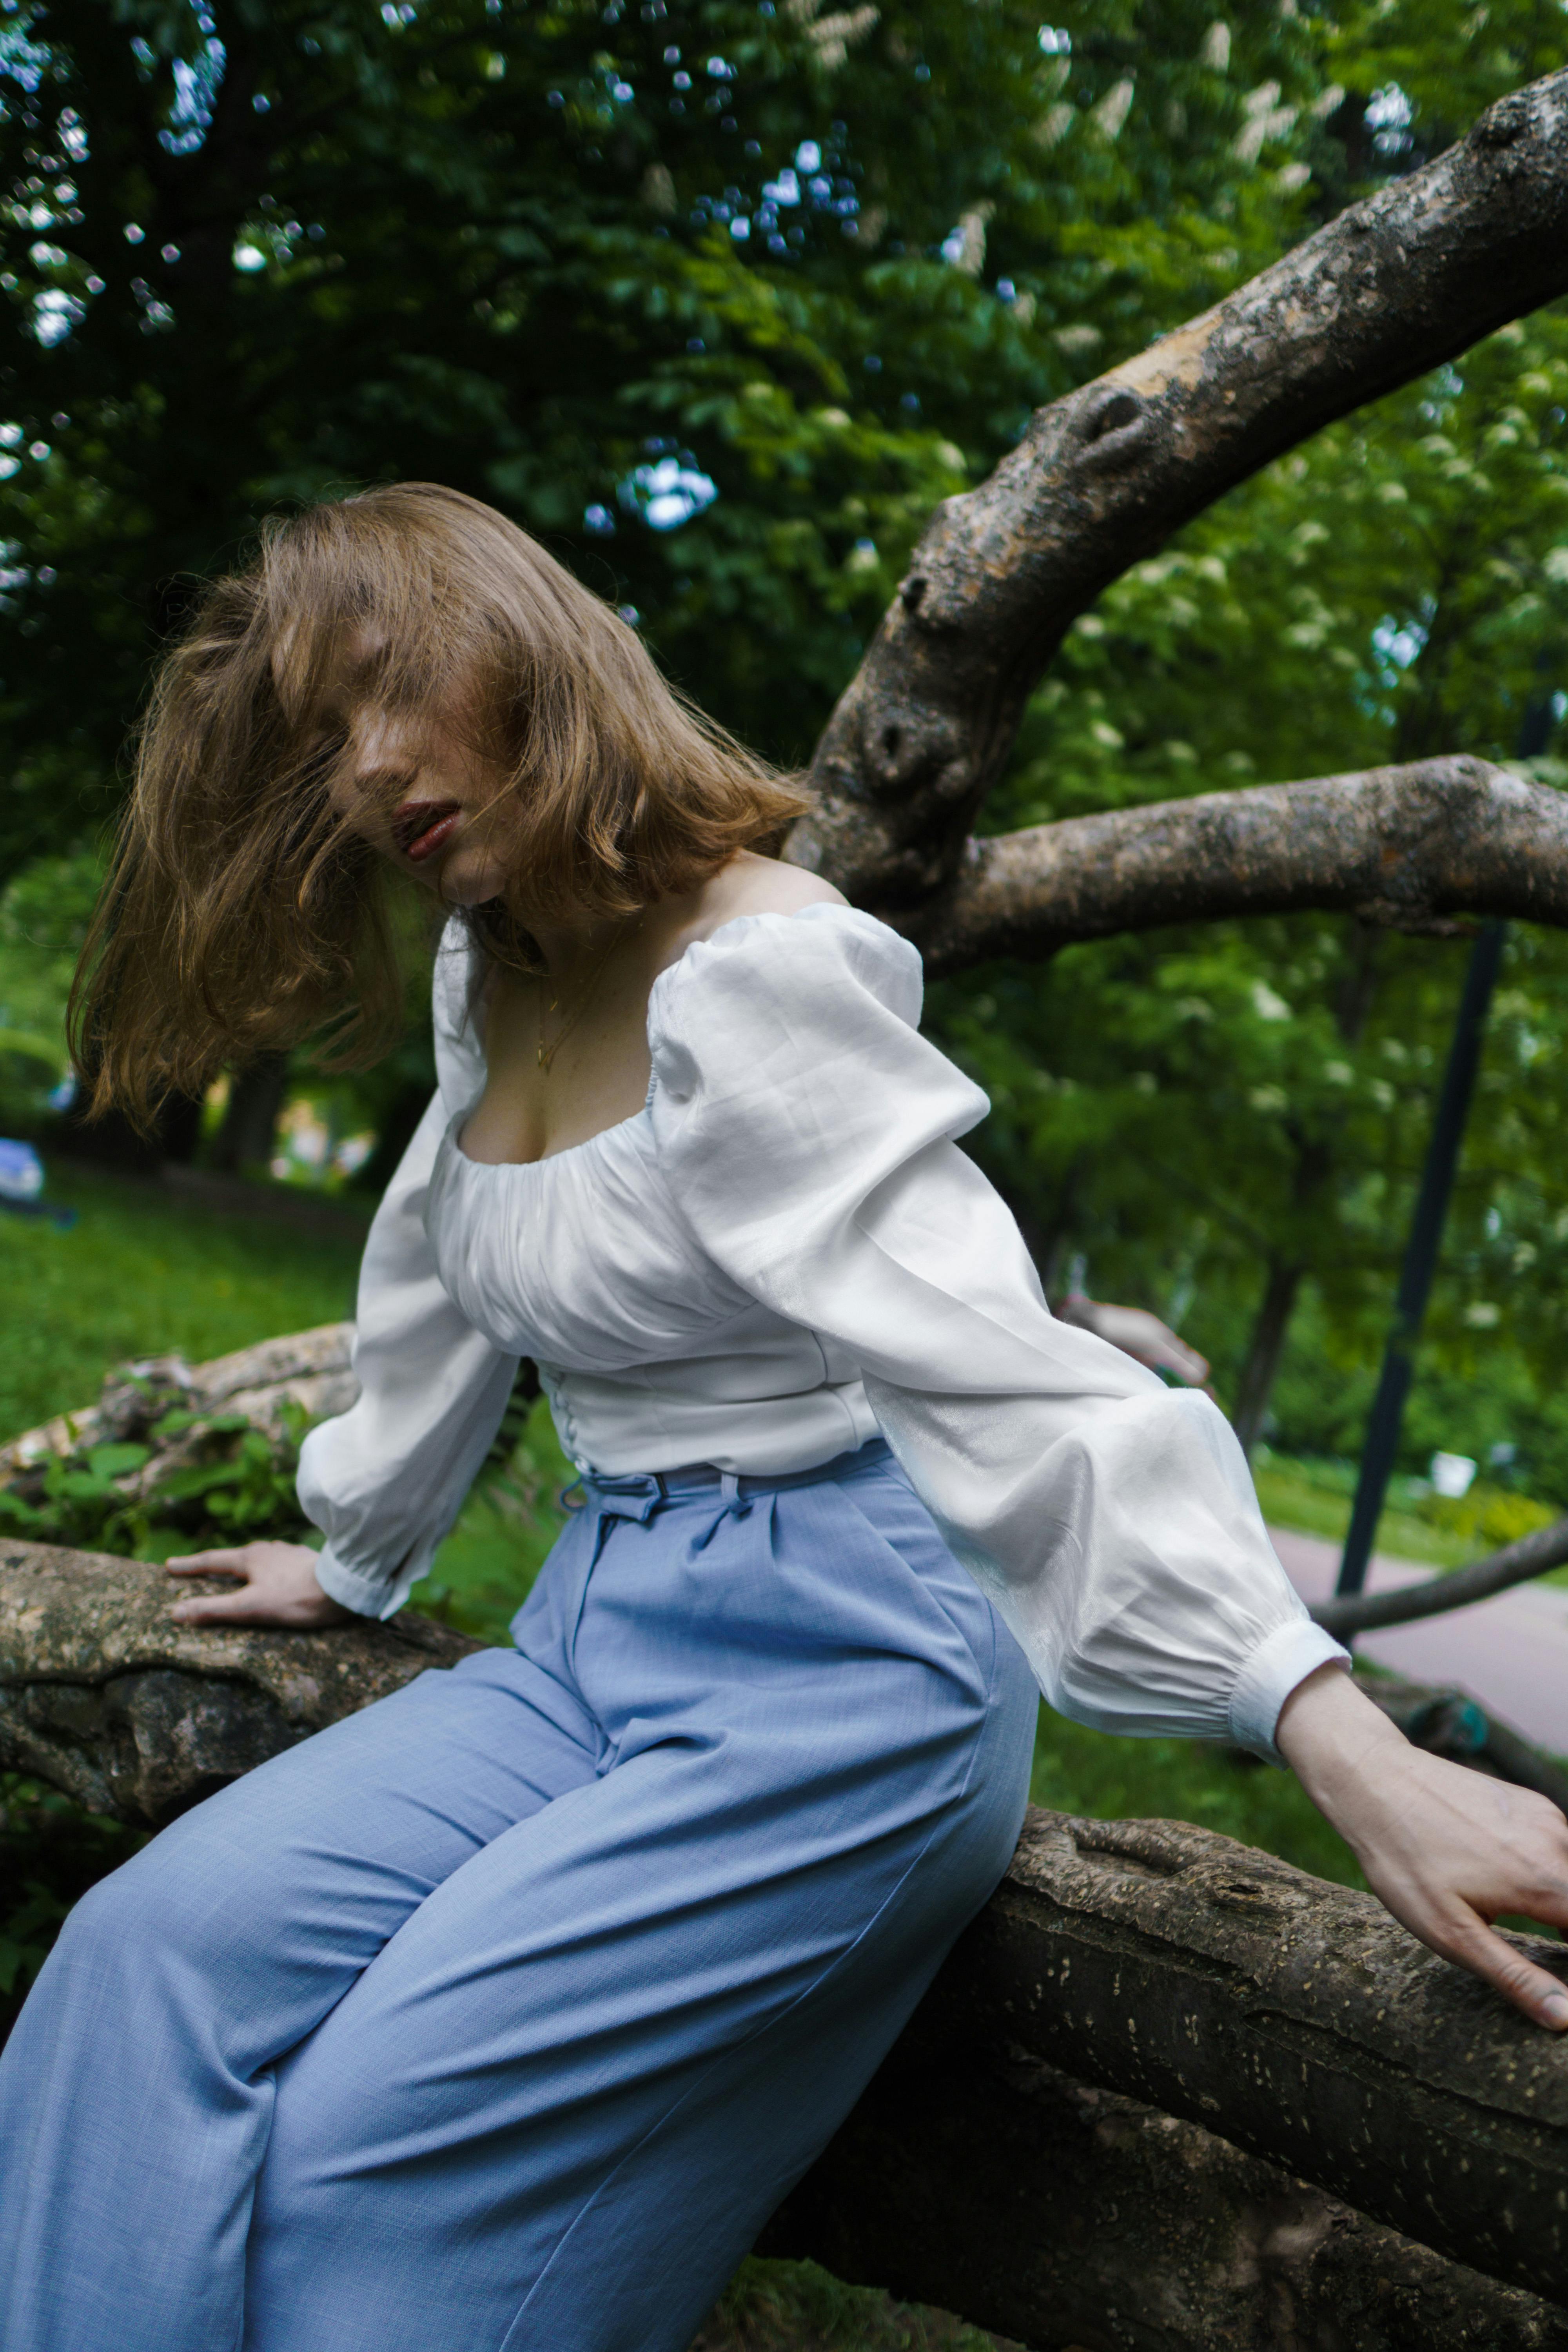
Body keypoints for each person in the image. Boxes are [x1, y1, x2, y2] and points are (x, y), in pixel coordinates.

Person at [3, 483, 1565, 2352]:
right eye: (316, 742)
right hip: (592, 1633)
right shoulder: (484, 960)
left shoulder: (757, 975)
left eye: (381, 693)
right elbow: (437, 1264)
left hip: (847, 1676)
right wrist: (352, 1547)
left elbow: (997, 1367)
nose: (363, 773)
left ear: (524, 644)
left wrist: (1337, 1738)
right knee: (136, 1970)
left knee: (369, 2160)